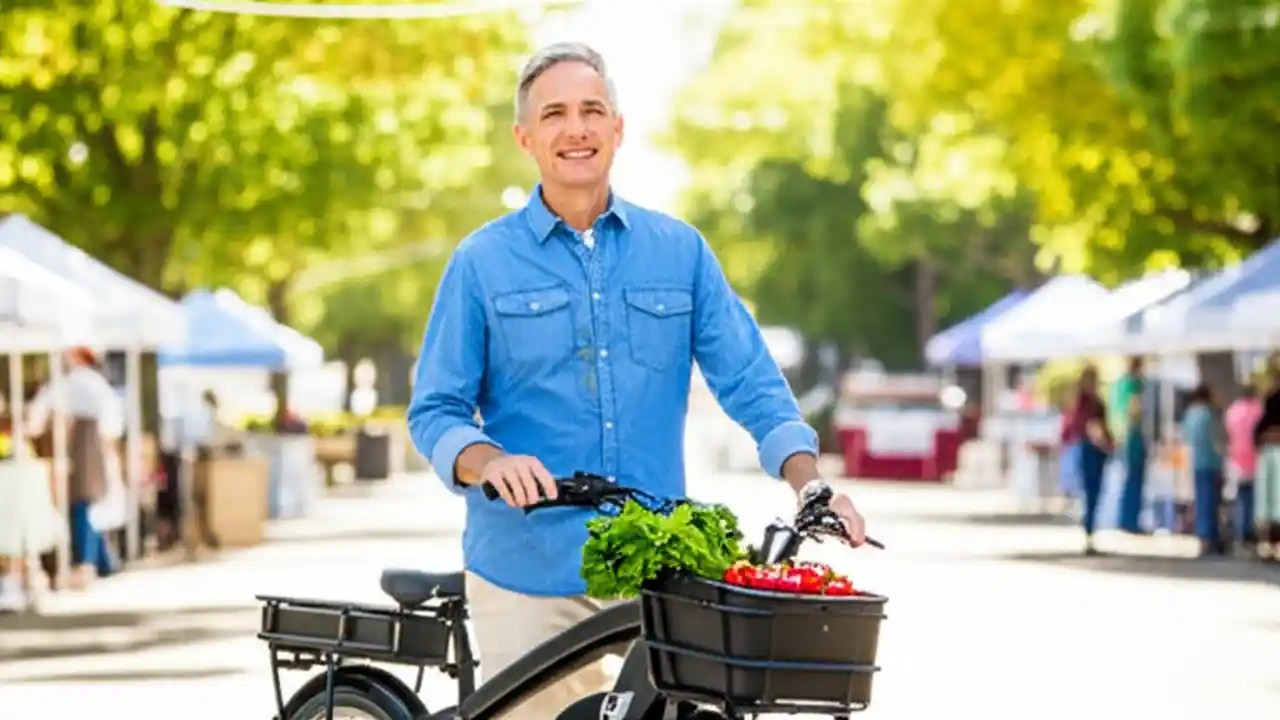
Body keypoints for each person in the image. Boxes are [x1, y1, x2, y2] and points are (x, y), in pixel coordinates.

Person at [406, 41, 868, 718]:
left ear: (617, 129)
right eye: (555, 113)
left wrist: (811, 482)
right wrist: (491, 462)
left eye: (593, 110)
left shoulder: (679, 252)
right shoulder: (481, 262)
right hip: (528, 572)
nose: (577, 128)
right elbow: (436, 411)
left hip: (657, 571)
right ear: (525, 137)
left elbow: (752, 381)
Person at [25, 346, 125, 586]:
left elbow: (37, 416)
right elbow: (114, 426)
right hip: (95, 450)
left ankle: (89, 562)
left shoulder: (68, 383)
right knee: (91, 507)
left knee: (83, 508)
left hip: (78, 452)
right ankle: (101, 560)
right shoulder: (98, 386)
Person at [1061, 364, 1112, 555]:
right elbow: (1094, 427)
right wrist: (1105, 445)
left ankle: (1089, 530)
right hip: (1092, 449)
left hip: (1082, 449)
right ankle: (1089, 530)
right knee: (1093, 492)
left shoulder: (1077, 402)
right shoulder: (1091, 402)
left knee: (1088, 492)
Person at [1180, 383, 1225, 557]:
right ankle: (1209, 538)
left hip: (1196, 462)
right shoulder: (1208, 415)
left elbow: (1187, 438)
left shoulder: (1189, 415)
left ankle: (1203, 537)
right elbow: (1216, 440)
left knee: (1201, 500)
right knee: (1210, 501)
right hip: (1211, 462)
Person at [1111, 357, 1147, 534]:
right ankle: (1130, 520)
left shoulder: (1119, 384)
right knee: (1134, 480)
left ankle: (1126, 518)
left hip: (1122, 435)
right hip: (1132, 435)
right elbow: (1134, 409)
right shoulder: (1133, 385)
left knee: (1128, 480)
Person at [1224, 384, 1262, 549]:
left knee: (1237, 498)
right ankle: (1248, 531)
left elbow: (1228, 434)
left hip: (1235, 460)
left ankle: (1236, 531)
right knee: (1251, 498)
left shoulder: (1232, 411)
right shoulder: (1258, 410)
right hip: (1254, 460)